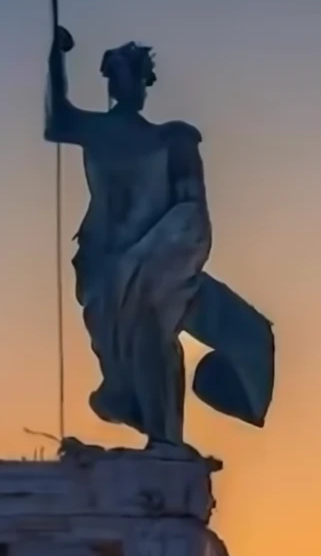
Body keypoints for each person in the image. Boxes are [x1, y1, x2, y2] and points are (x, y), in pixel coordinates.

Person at [45, 26, 274, 450]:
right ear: (114, 83)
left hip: (166, 260)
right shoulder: (96, 131)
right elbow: (56, 120)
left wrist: (163, 254)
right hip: (110, 269)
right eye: (122, 76)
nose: (130, 85)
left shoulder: (173, 138)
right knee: (151, 341)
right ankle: (164, 441)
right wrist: (55, 59)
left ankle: (167, 438)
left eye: (136, 76)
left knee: (250, 333)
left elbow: (192, 206)